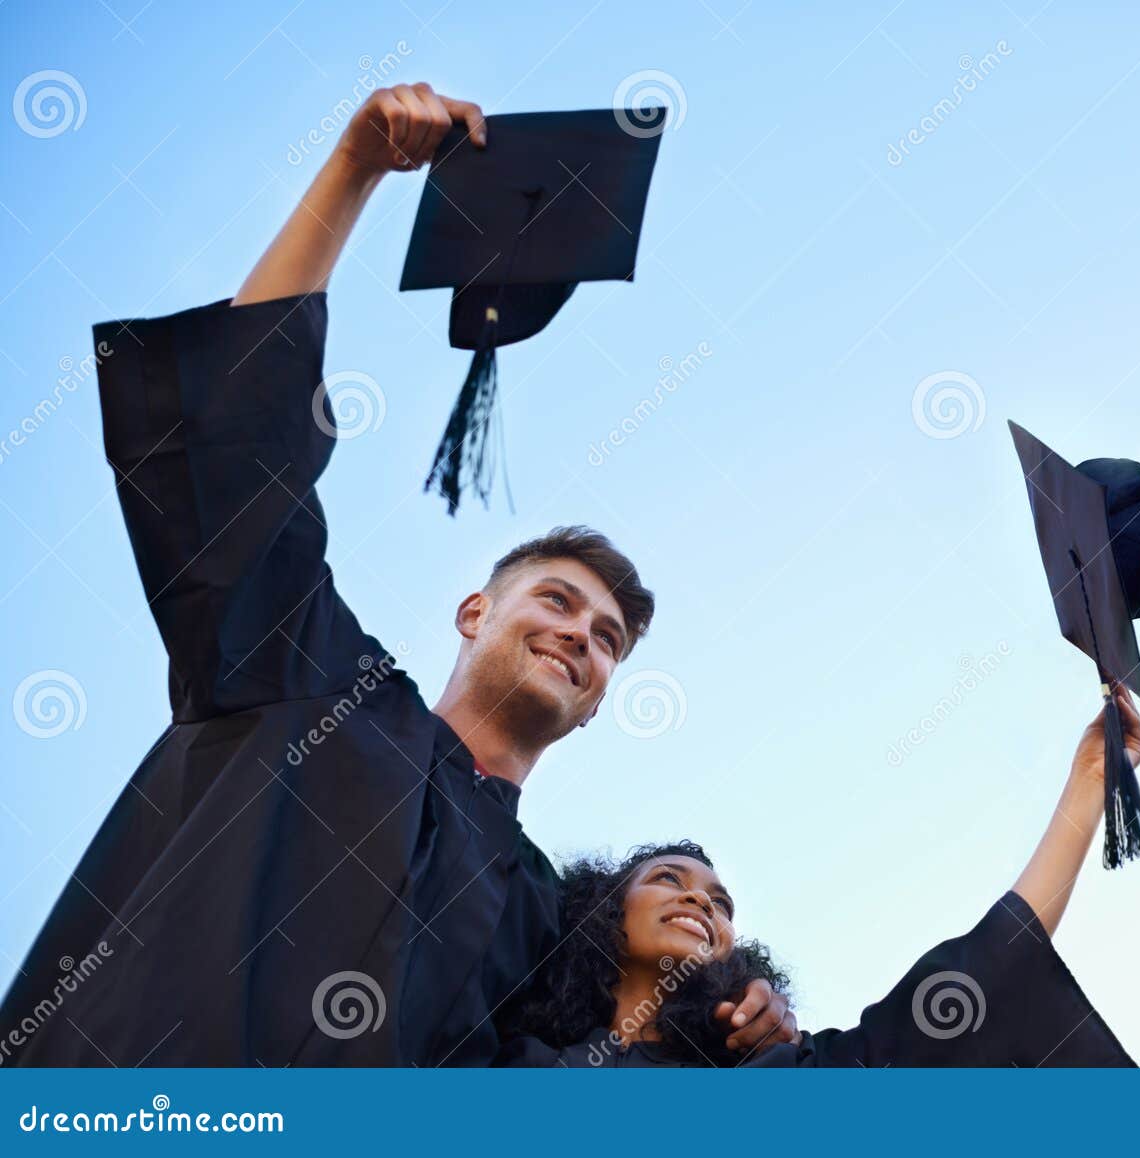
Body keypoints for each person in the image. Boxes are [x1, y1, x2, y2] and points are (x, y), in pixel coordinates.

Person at [0, 84, 792, 1067]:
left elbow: (611, 1060)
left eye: (606, 641)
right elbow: (244, 450)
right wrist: (354, 170)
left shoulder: (544, 928)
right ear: (474, 611)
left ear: (596, 703)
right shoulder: (314, 680)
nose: (579, 636)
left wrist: (745, 1016)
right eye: (557, 599)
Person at [495, 688, 1140, 1067]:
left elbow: (981, 977)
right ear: (603, 911)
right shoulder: (511, 1059)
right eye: (667, 878)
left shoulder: (769, 1079)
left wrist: (1089, 783)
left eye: (722, 902)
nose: (700, 899)